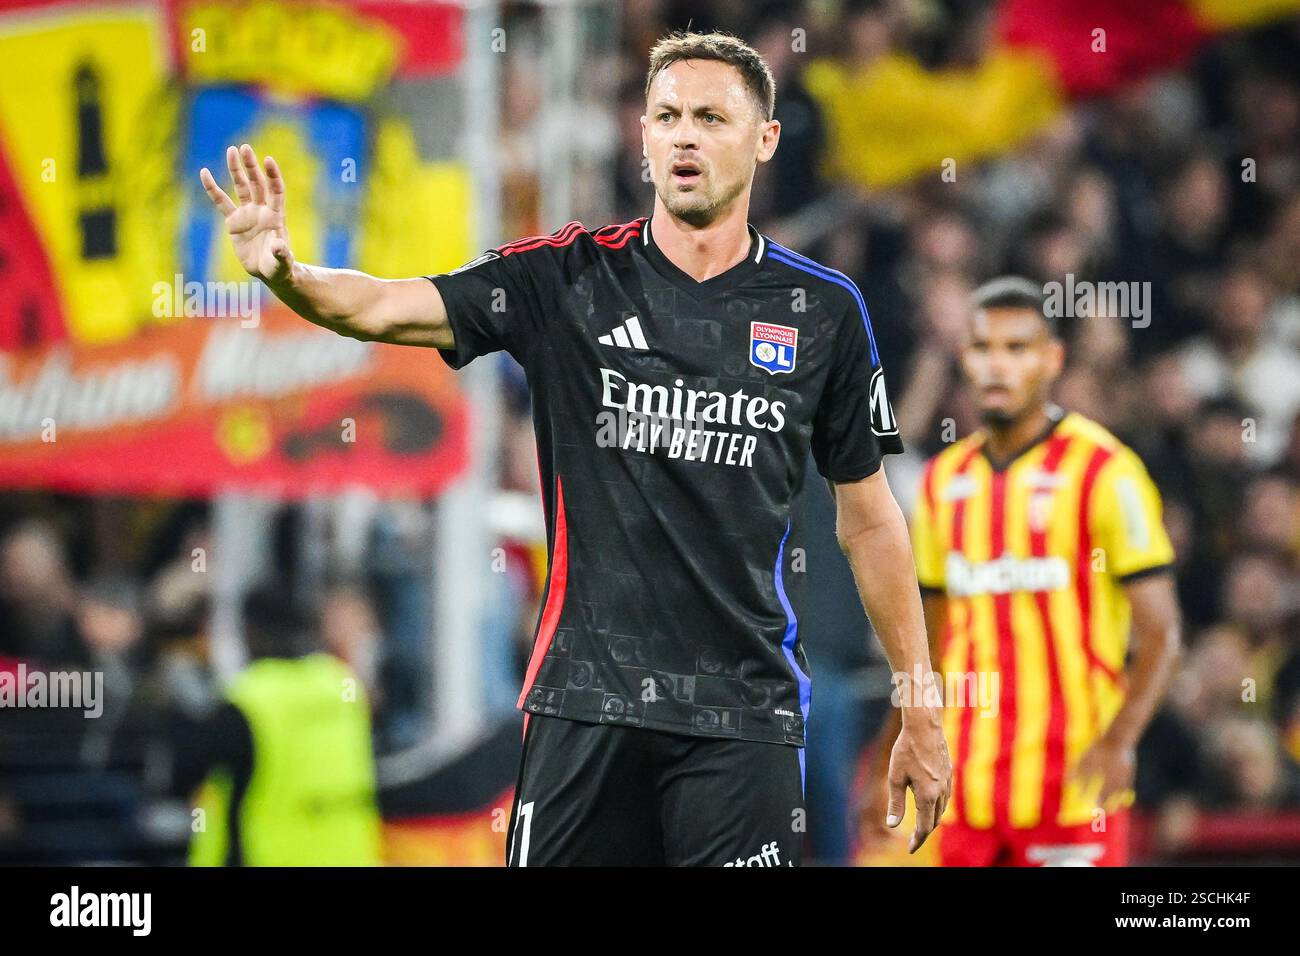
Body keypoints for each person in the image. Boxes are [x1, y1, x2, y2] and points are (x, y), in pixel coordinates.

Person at [198, 30, 949, 867]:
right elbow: (384, 308)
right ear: (643, 135)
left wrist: (919, 707)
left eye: (711, 116)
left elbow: (873, 523)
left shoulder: (825, 312)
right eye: (666, 115)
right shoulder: (565, 278)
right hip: (585, 707)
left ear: (765, 138)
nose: (685, 135)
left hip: (741, 718)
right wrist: (288, 273)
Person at [866, 277, 1183, 866]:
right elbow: (928, 647)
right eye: (983, 348)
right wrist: (893, 746)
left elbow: (1162, 635)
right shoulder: (942, 485)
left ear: (1052, 359)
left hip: (1069, 794)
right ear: (964, 358)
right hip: (966, 795)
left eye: (1017, 349)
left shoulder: (1105, 472)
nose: (997, 366)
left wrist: (1120, 742)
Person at [179, 589, 381, 866]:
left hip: (270, 856)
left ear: (248, 630)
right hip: (349, 857)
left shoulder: (250, 697)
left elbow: (195, 774)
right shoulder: (342, 684)